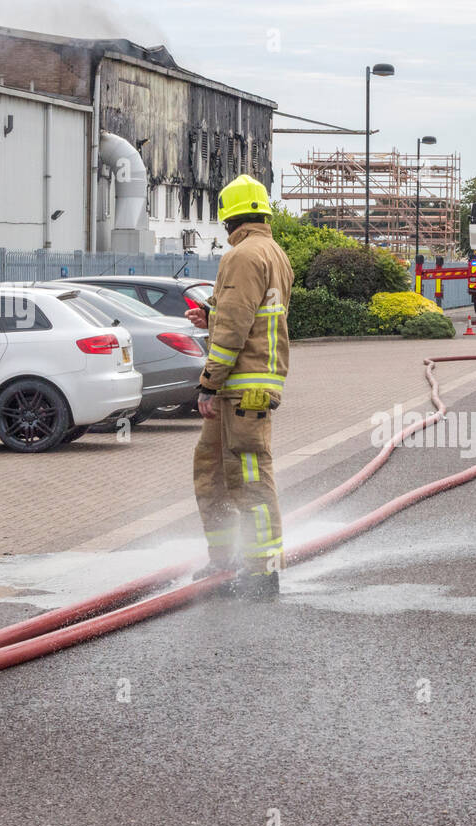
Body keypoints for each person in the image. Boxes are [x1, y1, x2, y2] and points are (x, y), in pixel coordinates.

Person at [183, 174, 293, 601]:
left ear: (229, 218)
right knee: (212, 470)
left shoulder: (243, 255)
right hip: (245, 385)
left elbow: (234, 327)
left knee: (249, 477)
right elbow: (245, 315)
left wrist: (208, 384)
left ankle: (262, 569)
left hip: (241, 387)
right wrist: (211, 317)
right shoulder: (273, 253)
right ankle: (225, 558)